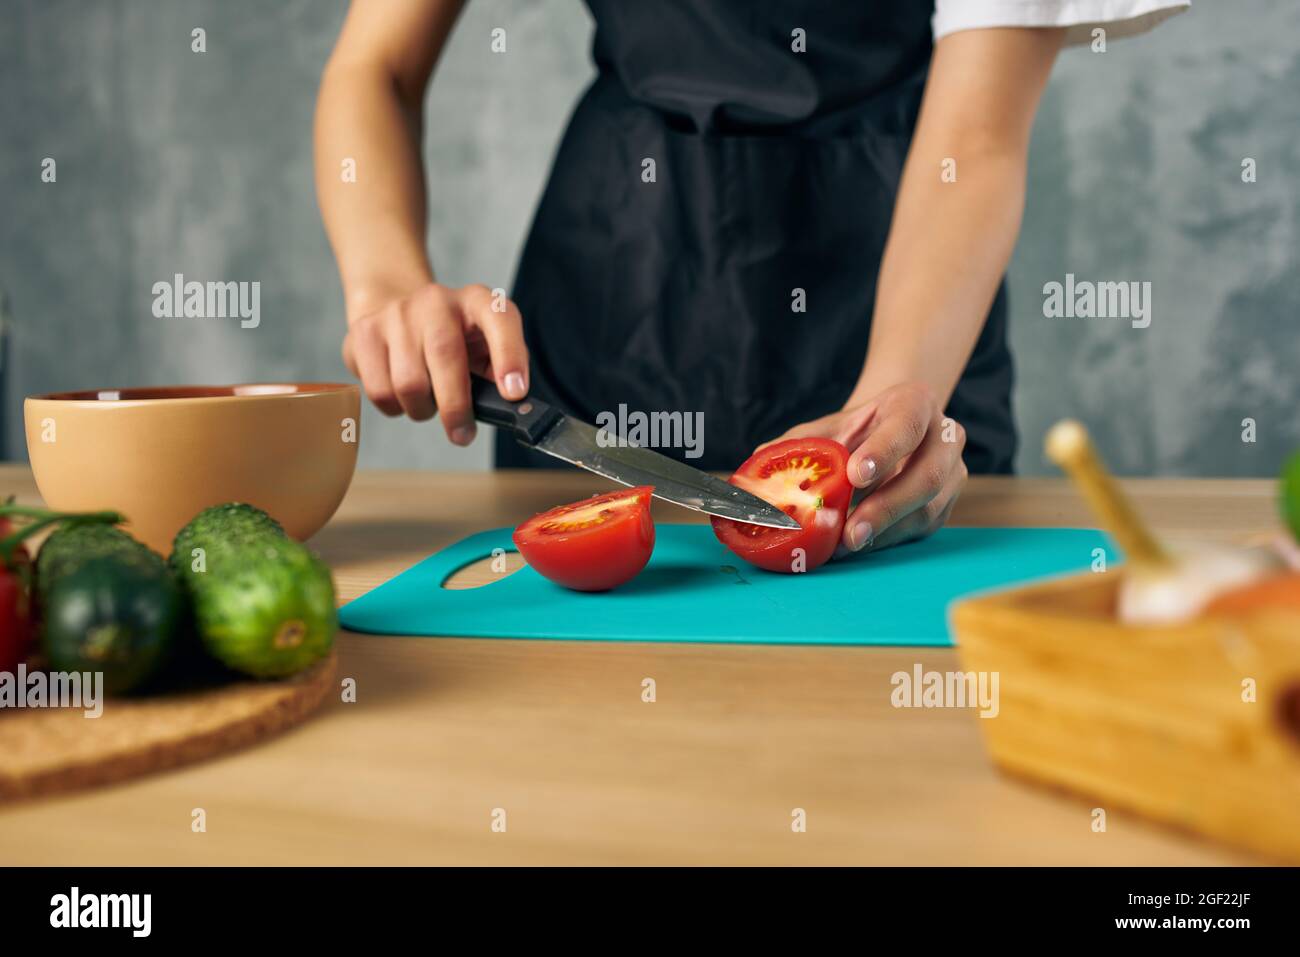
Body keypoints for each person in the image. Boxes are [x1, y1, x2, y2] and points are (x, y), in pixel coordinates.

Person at [315, 0, 1188, 554]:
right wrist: (386, 283)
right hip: (616, 282)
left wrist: (888, 405)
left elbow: (977, 143)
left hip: (907, 273)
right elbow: (375, 67)